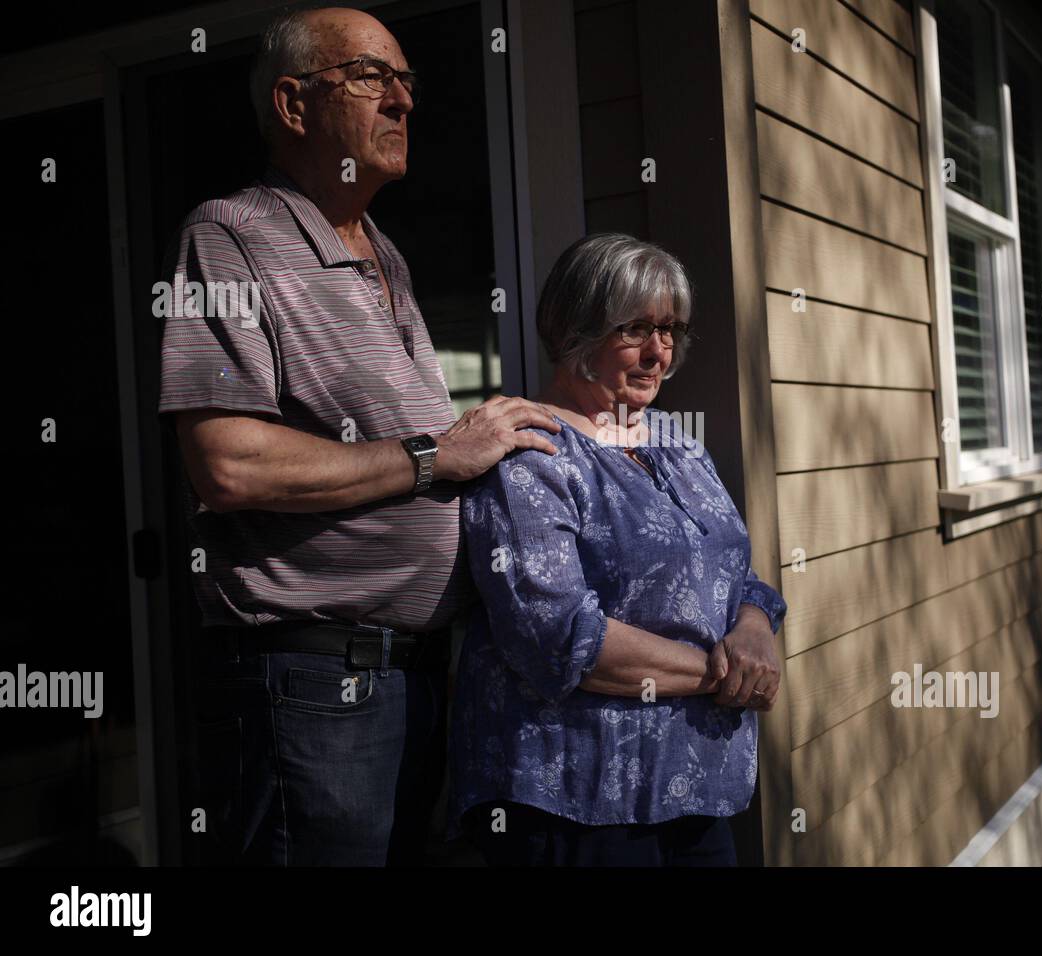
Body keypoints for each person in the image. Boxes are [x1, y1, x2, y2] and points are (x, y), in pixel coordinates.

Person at [157, 7, 559, 865]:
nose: (404, 101)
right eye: (374, 77)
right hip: (309, 685)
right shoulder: (229, 235)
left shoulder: (386, 253)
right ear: (295, 105)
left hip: (411, 675)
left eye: (407, 80)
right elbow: (225, 462)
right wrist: (433, 456)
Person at [450, 233, 787, 866]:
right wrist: (722, 673)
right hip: (583, 804)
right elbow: (559, 637)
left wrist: (755, 629)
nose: (660, 352)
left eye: (671, 331)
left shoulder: (674, 440)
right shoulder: (531, 456)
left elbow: (737, 574)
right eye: (635, 329)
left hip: (699, 789)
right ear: (577, 330)